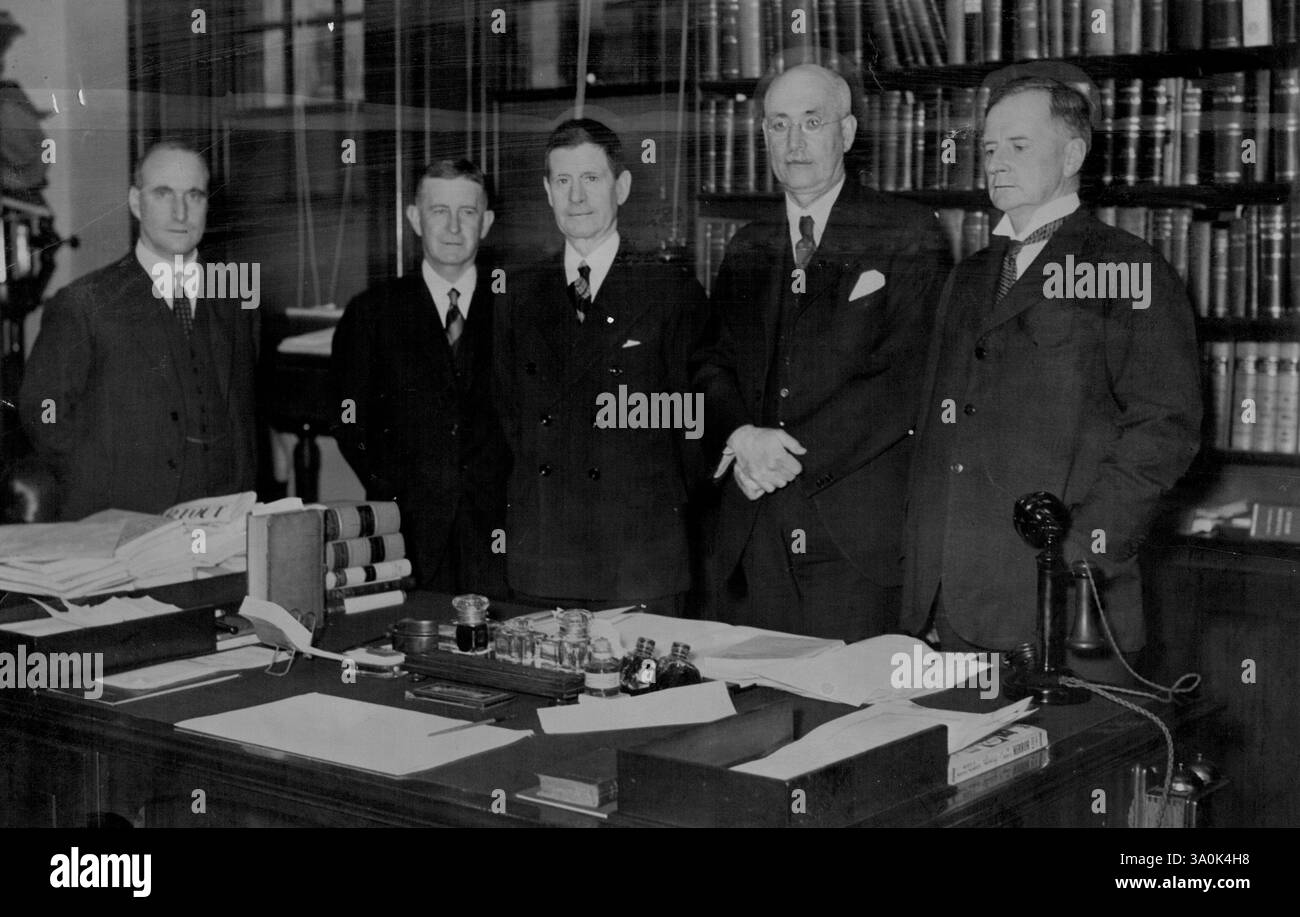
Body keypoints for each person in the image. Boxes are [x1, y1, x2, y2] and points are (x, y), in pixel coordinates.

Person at [901, 65, 1202, 673]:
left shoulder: (1126, 267)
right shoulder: (968, 276)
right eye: (988, 149)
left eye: (1018, 146)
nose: (996, 163)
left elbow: (1164, 428)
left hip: (1066, 606)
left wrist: (1077, 554)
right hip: (951, 609)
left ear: (1072, 154)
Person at [692, 63, 953, 641]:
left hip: (854, 536)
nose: (794, 141)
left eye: (812, 122)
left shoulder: (907, 231)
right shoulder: (747, 244)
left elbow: (907, 375)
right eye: (779, 125)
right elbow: (713, 364)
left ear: (849, 132)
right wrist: (741, 437)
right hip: (752, 530)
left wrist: (782, 457)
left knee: (853, 722)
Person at [495, 118, 707, 615]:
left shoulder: (670, 288)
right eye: (563, 181)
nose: (576, 197)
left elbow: (690, 424)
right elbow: (507, 417)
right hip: (543, 556)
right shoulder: (516, 293)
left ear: (622, 186)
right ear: (547, 192)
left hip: (638, 558)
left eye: (591, 179)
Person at [20, 140, 257, 519]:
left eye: (193, 195)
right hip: (123, 522)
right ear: (135, 202)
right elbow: (44, 413)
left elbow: (241, 414)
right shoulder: (84, 304)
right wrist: (101, 489)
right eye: (163, 193)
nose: (180, 212)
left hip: (224, 519)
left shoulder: (235, 299)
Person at [330, 159, 510, 594]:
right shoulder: (372, 312)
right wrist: (396, 492)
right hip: (408, 532)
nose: (452, 227)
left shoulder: (514, 308)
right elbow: (348, 418)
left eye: (466, 212)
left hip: (498, 535)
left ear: (485, 222)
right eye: (438, 211)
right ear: (414, 218)